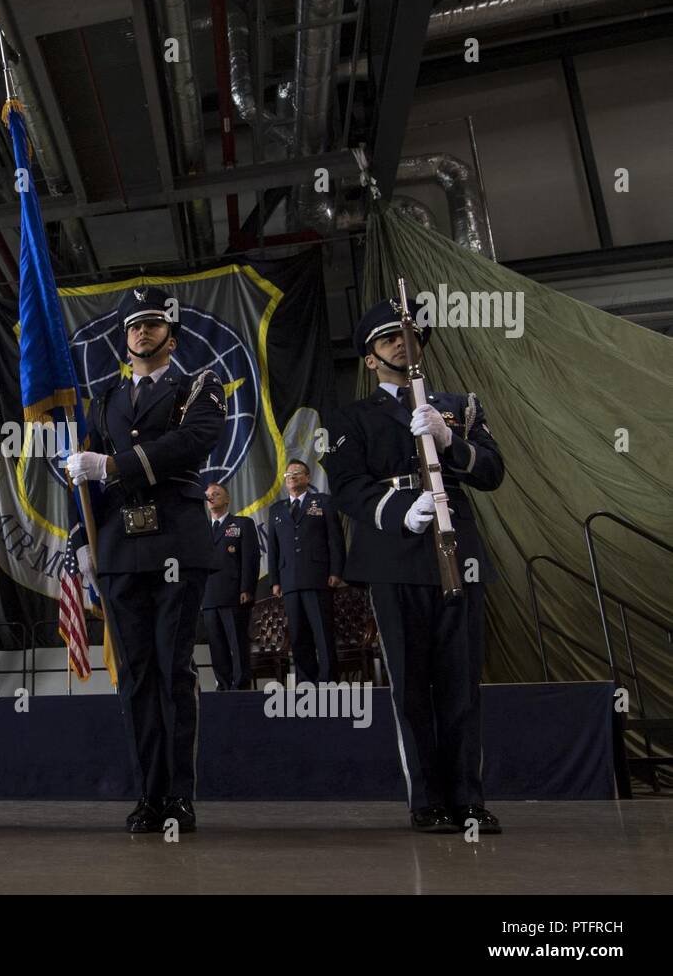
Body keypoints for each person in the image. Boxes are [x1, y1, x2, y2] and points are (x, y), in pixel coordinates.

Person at [324, 298, 505, 835]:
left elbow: (492, 471)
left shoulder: (458, 405)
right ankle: (427, 801)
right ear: (371, 358)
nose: (402, 344)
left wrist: (451, 442)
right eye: (388, 340)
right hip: (394, 555)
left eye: (408, 336)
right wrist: (405, 511)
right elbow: (349, 489)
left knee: (461, 681)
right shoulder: (351, 417)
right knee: (412, 683)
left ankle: (468, 798)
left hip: (458, 552)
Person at [65, 286, 225, 833]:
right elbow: (79, 473)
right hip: (117, 548)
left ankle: (179, 795)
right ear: (124, 337)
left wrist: (112, 465)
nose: (142, 331)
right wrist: (80, 540)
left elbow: (193, 442)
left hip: (176, 542)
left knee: (173, 671)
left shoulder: (200, 386)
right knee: (135, 677)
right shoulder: (103, 399)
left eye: (153, 323)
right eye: (134, 325)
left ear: (170, 337)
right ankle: (148, 795)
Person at [267, 459, 345, 683]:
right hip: (289, 580)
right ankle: (305, 681)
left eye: (297, 473)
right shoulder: (277, 510)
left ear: (308, 478)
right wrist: (275, 580)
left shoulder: (322, 502)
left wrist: (336, 571)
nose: (292, 477)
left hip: (319, 577)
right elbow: (273, 548)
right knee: (299, 636)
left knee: (322, 633)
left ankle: (329, 680)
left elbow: (335, 540)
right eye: (288, 475)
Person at [201, 484, 259, 691]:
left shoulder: (242, 524)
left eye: (216, 494)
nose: (211, 498)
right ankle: (223, 685)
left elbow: (250, 559)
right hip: (208, 596)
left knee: (237, 643)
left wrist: (247, 589)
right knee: (216, 646)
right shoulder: (202, 529)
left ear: (227, 499)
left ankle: (241, 685)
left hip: (234, 593)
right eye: (208, 496)